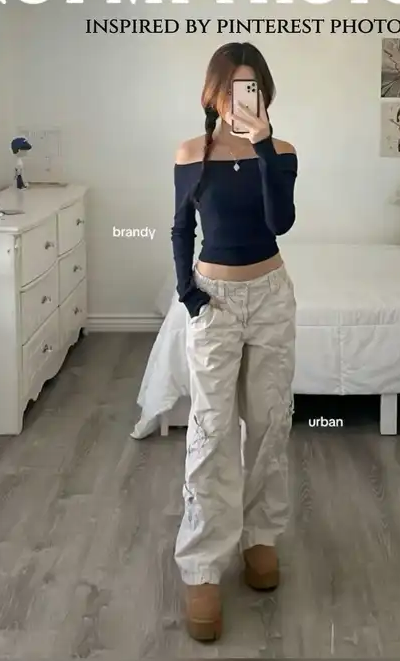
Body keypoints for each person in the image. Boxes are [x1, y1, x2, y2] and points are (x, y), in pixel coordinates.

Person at [171, 42, 298, 642]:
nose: (241, 98)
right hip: (215, 301)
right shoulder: (191, 154)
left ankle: (260, 537)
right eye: (232, 88)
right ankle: (201, 562)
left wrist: (264, 144)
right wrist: (188, 295)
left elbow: (280, 223)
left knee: (270, 422)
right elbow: (181, 227)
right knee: (211, 430)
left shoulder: (282, 152)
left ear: (263, 93)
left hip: (271, 296)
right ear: (214, 93)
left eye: (252, 88)